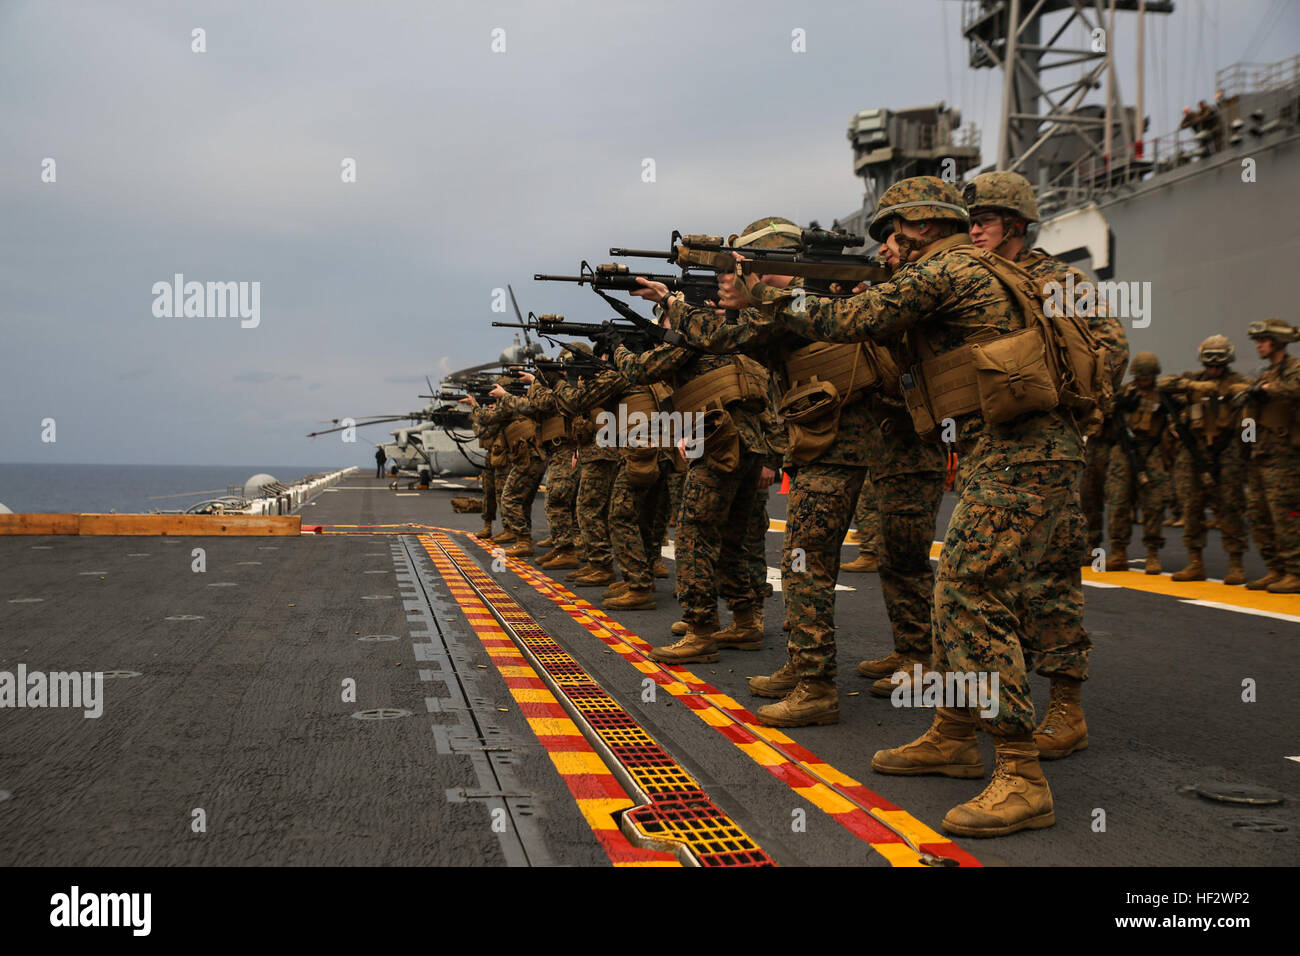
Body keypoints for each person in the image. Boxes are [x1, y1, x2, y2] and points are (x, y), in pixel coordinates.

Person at [727, 177, 1082, 837]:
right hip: (1012, 451)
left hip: (1018, 454)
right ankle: (952, 732)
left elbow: (849, 322)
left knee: (971, 592)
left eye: (892, 234)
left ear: (920, 224)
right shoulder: (977, 272)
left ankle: (1021, 776)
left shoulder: (948, 267)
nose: (886, 248)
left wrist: (771, 294)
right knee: (955, 593)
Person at [964, 169, 1128, 760]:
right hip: (989, 449)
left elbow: (1109, 349)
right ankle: (974, 707)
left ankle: (1066, 706)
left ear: (1014, 224)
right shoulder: (970, 279)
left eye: (982, 220)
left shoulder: (1058, 281)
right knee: (983, 582)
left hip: (1045, 450)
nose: (974, 229)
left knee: (1052, 578)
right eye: (970, 221)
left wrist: (1069, 408)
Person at [1158, 337, 1253, 583]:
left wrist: (1238, 393)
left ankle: (1236, 564)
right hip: (1194, 450)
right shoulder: (1193, 379)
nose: (1214, 368)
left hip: (1226, 449)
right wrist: (1195, 387)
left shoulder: (1238, 381)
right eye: (1210, 362)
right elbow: (1164, 384)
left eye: (1218, 363)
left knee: (1231, 506)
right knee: (1191, 506)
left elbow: (1252, 394)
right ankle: (1195, 563)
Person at [1242, 318, 1300, 592]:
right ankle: (1275, 568)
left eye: (1263, 340)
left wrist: (1269, 391)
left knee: (1285, 515)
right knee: (1259, 515)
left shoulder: (1294, 370)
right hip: (1261, 455)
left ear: (1277, 341)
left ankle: (1295, 572)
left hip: (1286, 457)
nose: (1259, 346)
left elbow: (1295, 389)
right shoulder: (1264, 375)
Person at [1105, 353, 1170, 573]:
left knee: (1154, 503)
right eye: (1140, 376)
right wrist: (1119, 404)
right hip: (1124, 451)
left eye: (1148, 377)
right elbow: (1105, 410)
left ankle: (1152, 553)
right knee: (1118, 501)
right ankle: (1118, 552)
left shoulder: (1163, 396)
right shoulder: (1124, 393)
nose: (1144, 380)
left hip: (1151, 450)